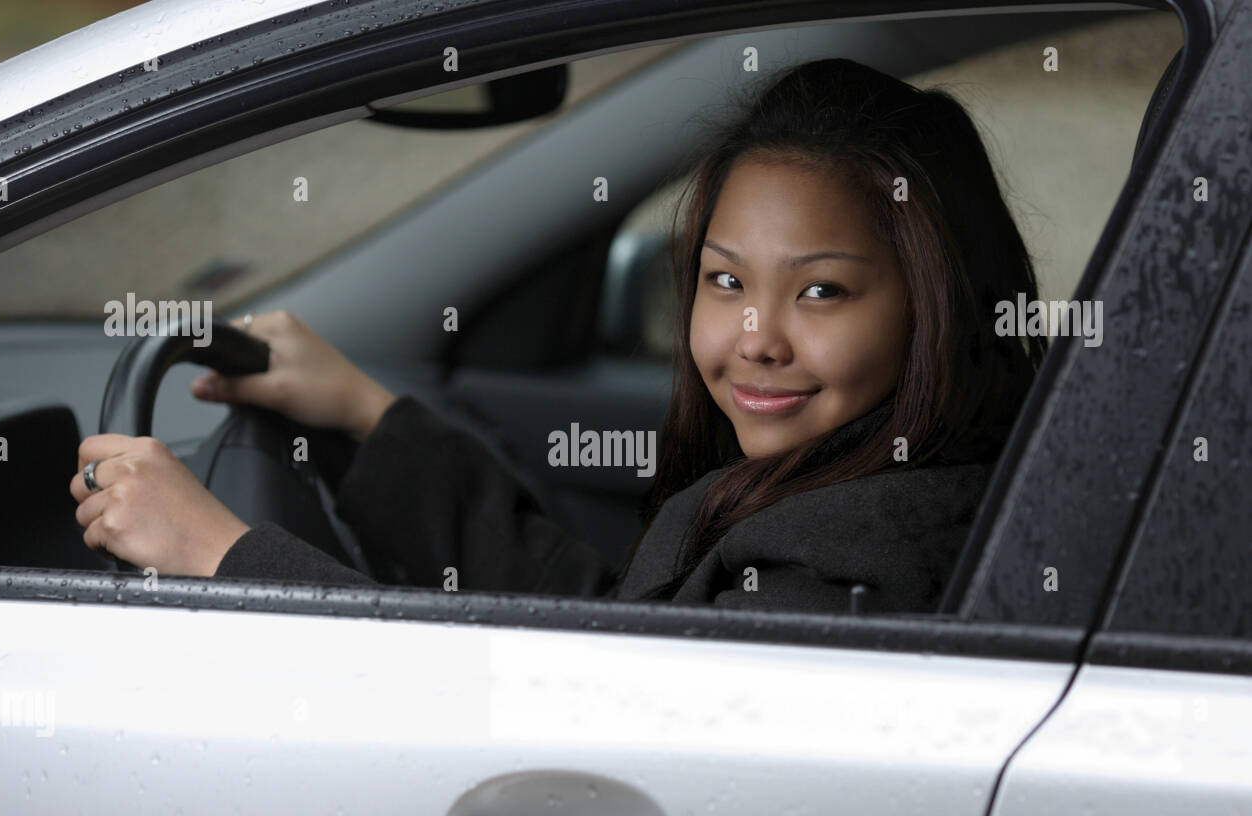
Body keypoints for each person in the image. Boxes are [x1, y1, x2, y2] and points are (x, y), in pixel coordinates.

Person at [70, 58, 1046, 613]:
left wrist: (221, 553)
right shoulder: (848, 492)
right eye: (723, 280)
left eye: (822, 291)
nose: (756, 337)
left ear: (936, 310)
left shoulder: (836, 576)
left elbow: (549, 729)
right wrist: (370, 416)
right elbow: (598, 623)